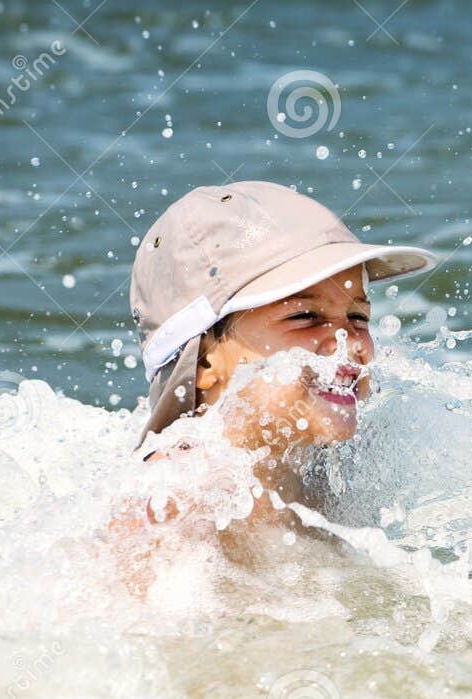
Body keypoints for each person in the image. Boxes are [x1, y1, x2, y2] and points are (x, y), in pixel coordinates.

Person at [108, 181, 437, 582]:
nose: (348, 343)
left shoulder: (317, 474)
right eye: (304, 317)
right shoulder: (174, 502)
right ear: (206, 359)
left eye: (358, 317)